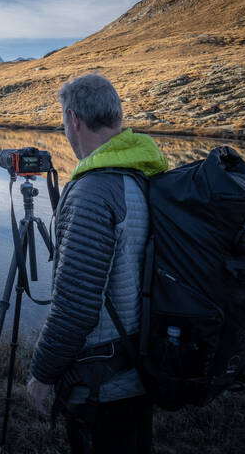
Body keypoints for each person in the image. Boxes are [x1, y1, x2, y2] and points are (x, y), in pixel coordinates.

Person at [26, 73, 168, 453]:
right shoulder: (142, 173)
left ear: (73, 119)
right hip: (139, 365)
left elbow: (75, 306)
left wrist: (42, 374)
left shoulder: (92, 191)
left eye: (63, 121)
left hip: (103, 383)